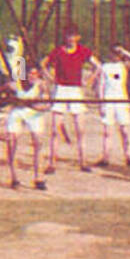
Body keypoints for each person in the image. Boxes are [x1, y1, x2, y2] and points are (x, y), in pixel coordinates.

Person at [44, 23, 99, 173]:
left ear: (77, 37)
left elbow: (97, 66)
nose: (70, 39)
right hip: (61, 89)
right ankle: (52, 163)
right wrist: (51, 79)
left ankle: (83, 161)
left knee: (80, 129)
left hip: (75, 90)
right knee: (55, 129)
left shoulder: (83, 51)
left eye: (73, 36)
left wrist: (89, 81)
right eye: (68, 36)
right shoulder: (57, 52)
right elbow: (43, 64)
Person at [1, 62, 52, 190]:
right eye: (30, 73)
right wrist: (10, 99)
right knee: (12, 141)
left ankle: (38, 178)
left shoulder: (41, 85)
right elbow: (0, 96)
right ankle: (14, 177)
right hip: (18, 112)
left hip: (33, 113)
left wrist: (32, 105)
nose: (32, 76)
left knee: (38, 143)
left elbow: (46, 105)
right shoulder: (15, 84)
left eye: (35, 74)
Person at [92, 45, 130, 168]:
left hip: (121, 100)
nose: (115, 56)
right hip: (108, 100)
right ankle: (105, 156)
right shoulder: (105, 67)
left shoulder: (123, 66)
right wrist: (101, 102)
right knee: (107, 131)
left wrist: (125, 51)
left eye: (117, 53)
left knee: (124, 130)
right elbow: (101, 85)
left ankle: (128, 156)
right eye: (113, 53)